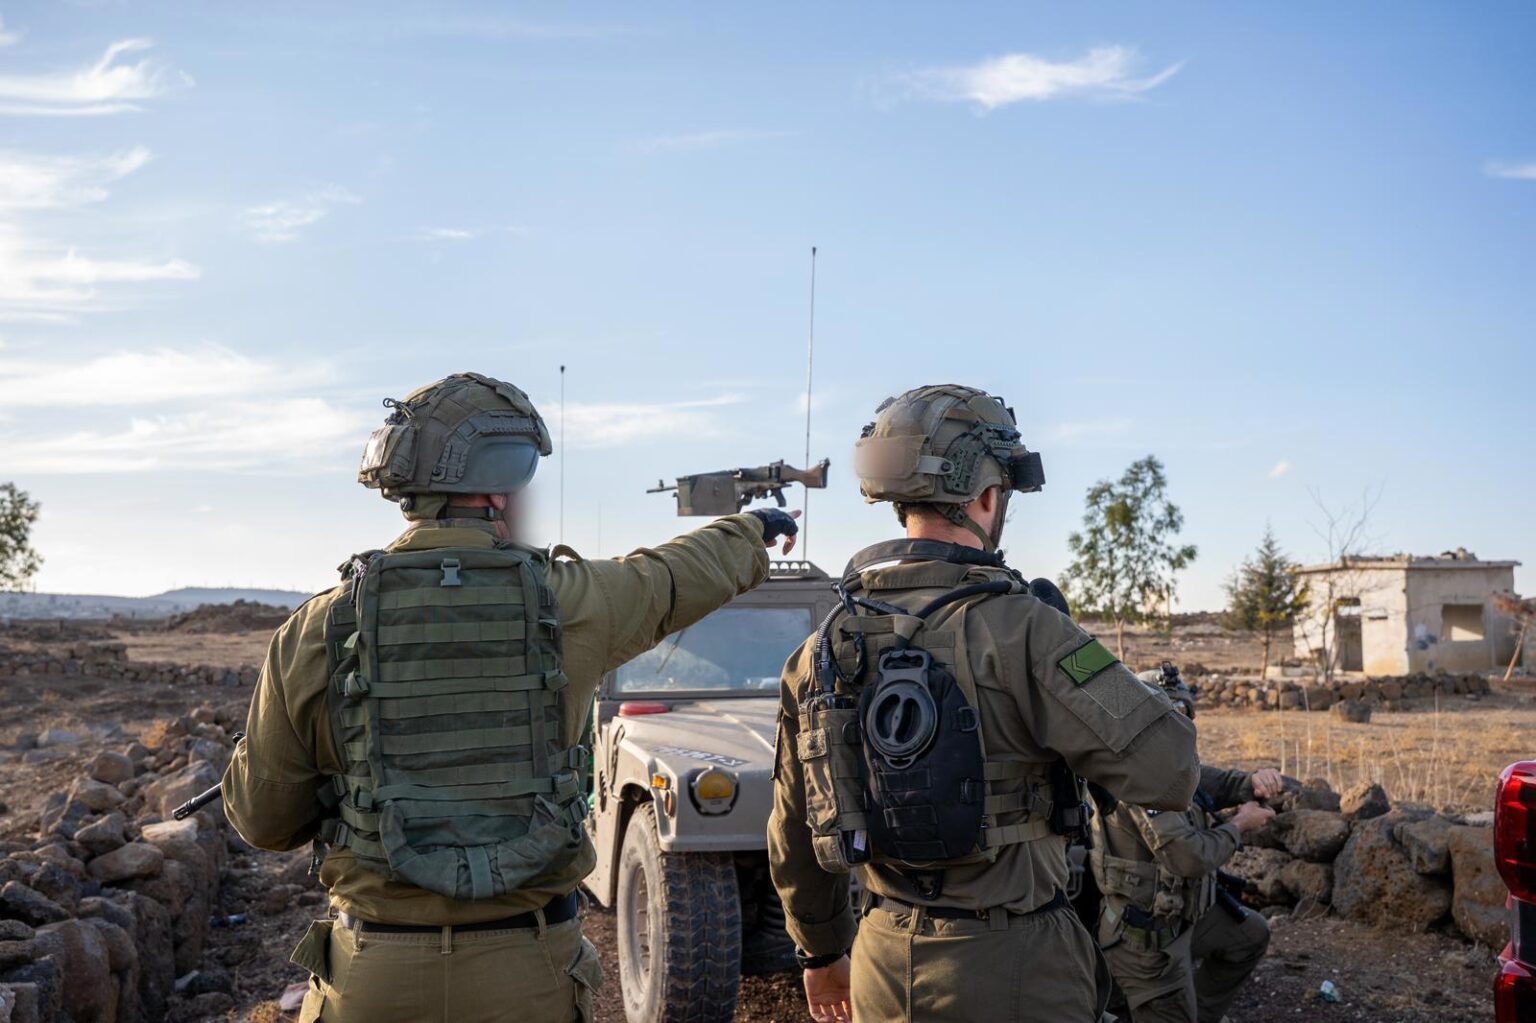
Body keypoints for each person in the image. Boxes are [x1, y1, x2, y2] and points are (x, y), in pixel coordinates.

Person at [221, 372, 799, 1023]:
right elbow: (669, 577)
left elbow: (264, 821)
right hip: (527, 972)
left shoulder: (317, 627)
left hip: (374, 973)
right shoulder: (569, 601)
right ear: (499, 486)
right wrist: (749, 530)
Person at [767, 383, 1201, 1023]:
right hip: (1020, 963)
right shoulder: (1029, 628)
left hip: (881, 962)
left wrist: (821, 953)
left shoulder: (821, 648)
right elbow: (1170, 771)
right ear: (988, 494)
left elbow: (795, 827)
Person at [1090, 662, 1281, 1023]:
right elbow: (1187, 856)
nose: (1178, 725)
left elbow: (1208, 781)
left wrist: (1251, 781)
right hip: (1147, 938)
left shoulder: (1168, 763)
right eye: (1167, 715)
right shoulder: (1136, 776)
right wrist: (1240, 825)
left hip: (1184, 917)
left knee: (1250, 934)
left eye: (1184, 714)